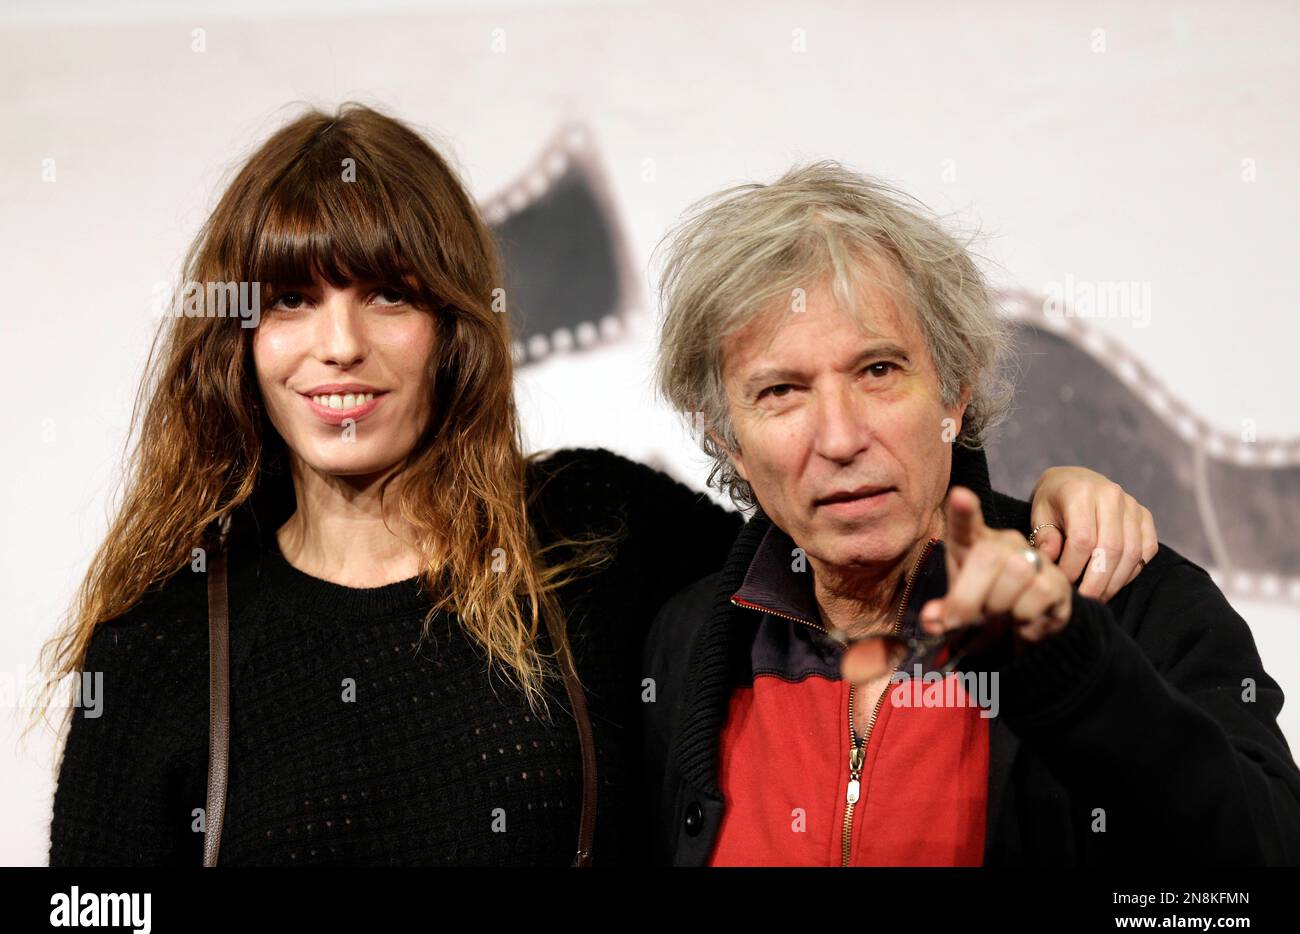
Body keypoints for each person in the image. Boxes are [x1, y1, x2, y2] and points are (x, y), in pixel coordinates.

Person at [32, 104, 1158, 866]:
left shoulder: (597, 529)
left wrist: (1037, 489)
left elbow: (843, 520)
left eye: (387, 295)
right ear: (239, 339)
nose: (338, 346)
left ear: (456, 325)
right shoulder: (161, 647)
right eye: (288, 301)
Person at [643, 160, 1300, 866]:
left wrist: (1075, 674)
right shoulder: (680, 643)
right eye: (780, 390)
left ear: (955, 391)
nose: (838, 438)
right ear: (727, 439)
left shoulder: (1130, 598)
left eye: (879, 371)